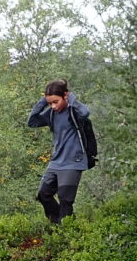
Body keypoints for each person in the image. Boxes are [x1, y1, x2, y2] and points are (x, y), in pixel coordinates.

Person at [27, 79, 92, 223]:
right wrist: (43, 102)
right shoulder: (51, 113)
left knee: (65, 200)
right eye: (50, 103)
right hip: (56, 162)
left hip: (73, 162)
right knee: (43, 195)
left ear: (64, 96)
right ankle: (57, 226)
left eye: (56, 101)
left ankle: (67, 232)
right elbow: (31, 122)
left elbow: (85, 112)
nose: (53, 106)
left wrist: (72, 98)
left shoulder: (74, 112)